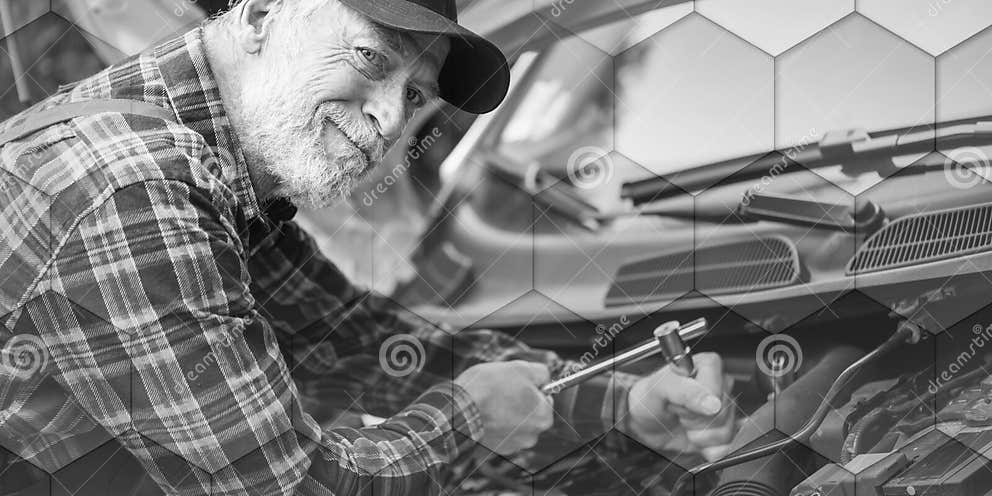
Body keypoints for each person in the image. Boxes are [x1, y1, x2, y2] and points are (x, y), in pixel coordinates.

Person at [0, 0, 734, 493]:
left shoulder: (211, 158)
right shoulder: (127, 188)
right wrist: (469, 415)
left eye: (416, 96)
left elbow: (346, 340)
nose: (389, 122)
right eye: (372, 59)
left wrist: (619, 402)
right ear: (260, 15)